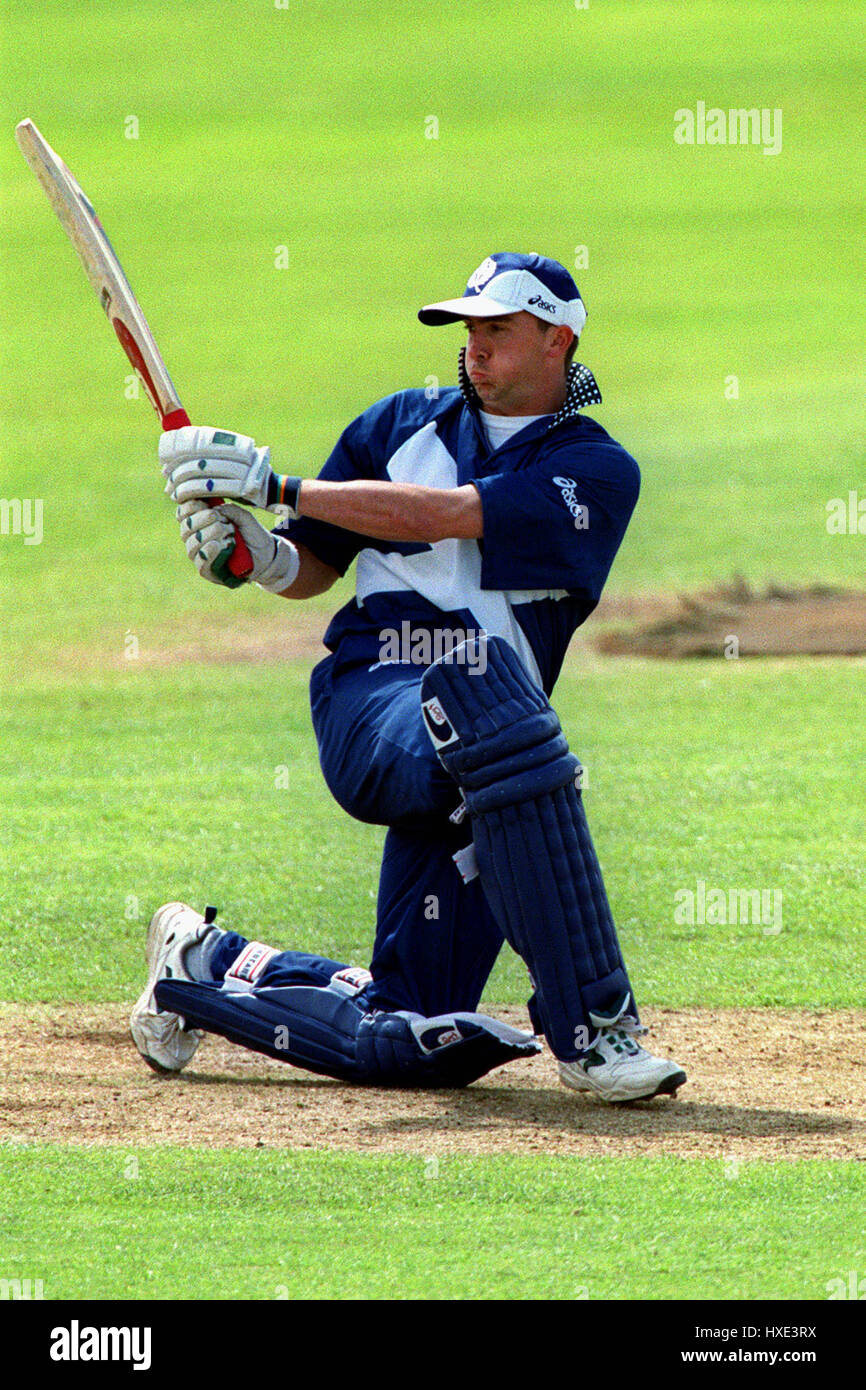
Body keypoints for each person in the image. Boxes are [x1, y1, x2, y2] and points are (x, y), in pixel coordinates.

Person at [130, 251, 687, 1103]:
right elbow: (311, 567)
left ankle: (201, 964)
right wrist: (248, 554)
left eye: (499, 329)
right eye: (471, 331)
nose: (478, 348)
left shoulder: (596, 471)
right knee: (490, 697)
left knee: (407, 1034)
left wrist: (280, 486)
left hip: (489, 769)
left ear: (558, 341)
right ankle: (598, 1035)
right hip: (374, 706)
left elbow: (457, 515)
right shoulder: (398, 426)